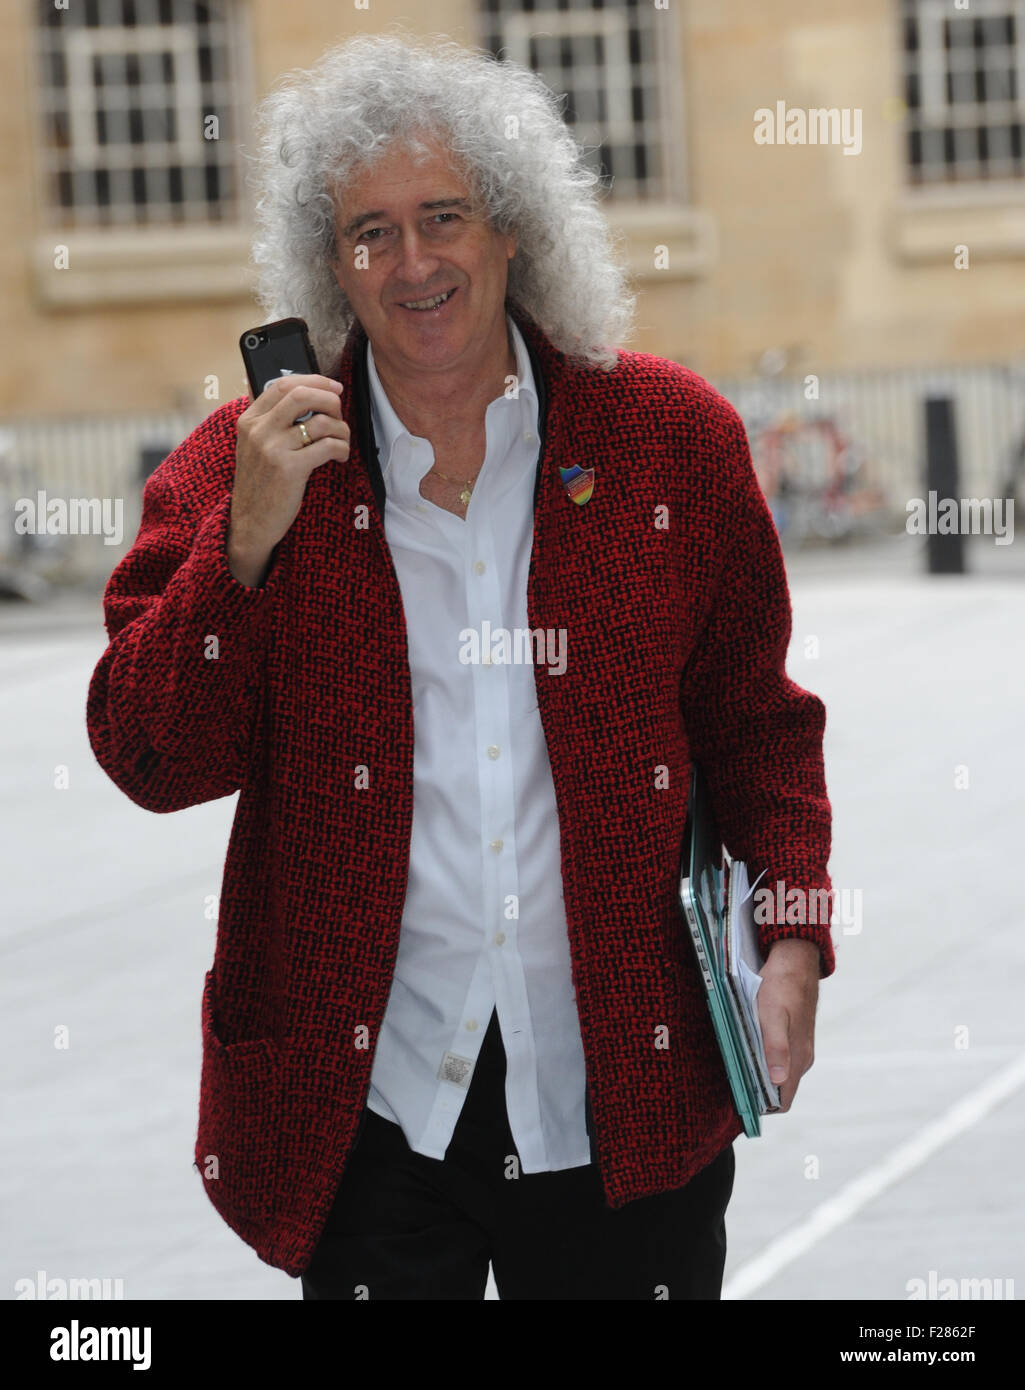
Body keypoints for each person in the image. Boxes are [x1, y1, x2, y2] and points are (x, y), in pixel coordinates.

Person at [86, 32, 833, 1301]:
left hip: (620, 1100)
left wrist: (795, 940)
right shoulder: (244, 462)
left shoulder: (666, 442)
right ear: (329, 265)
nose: (413, 261)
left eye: (444, 216)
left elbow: (754, 725)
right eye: (369, 231)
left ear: (510, 233)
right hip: (366, 1113)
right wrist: (242, 551)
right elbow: (150, 756)